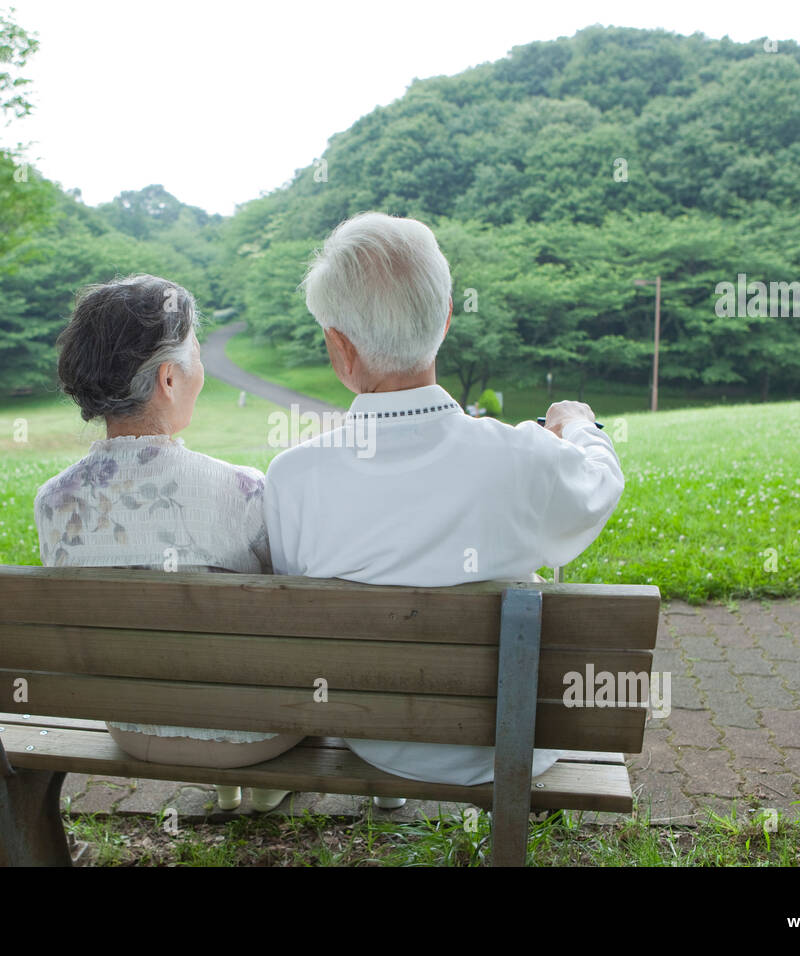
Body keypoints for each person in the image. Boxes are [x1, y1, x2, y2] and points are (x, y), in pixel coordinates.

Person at [263, 213, 625, 805]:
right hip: (515, 739)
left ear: (339, 348)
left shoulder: (293, 478)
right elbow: (601, 486)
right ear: (446, 316)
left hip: (373, 736)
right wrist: (578, 426)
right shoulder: (522, 458)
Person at [34, 274, 302, 813]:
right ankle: (261, 785)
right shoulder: (245, 490)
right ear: (169, 380)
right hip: (256, 735)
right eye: (196, 356)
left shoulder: (53, 501)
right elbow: (291, 614)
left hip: (133, 728)